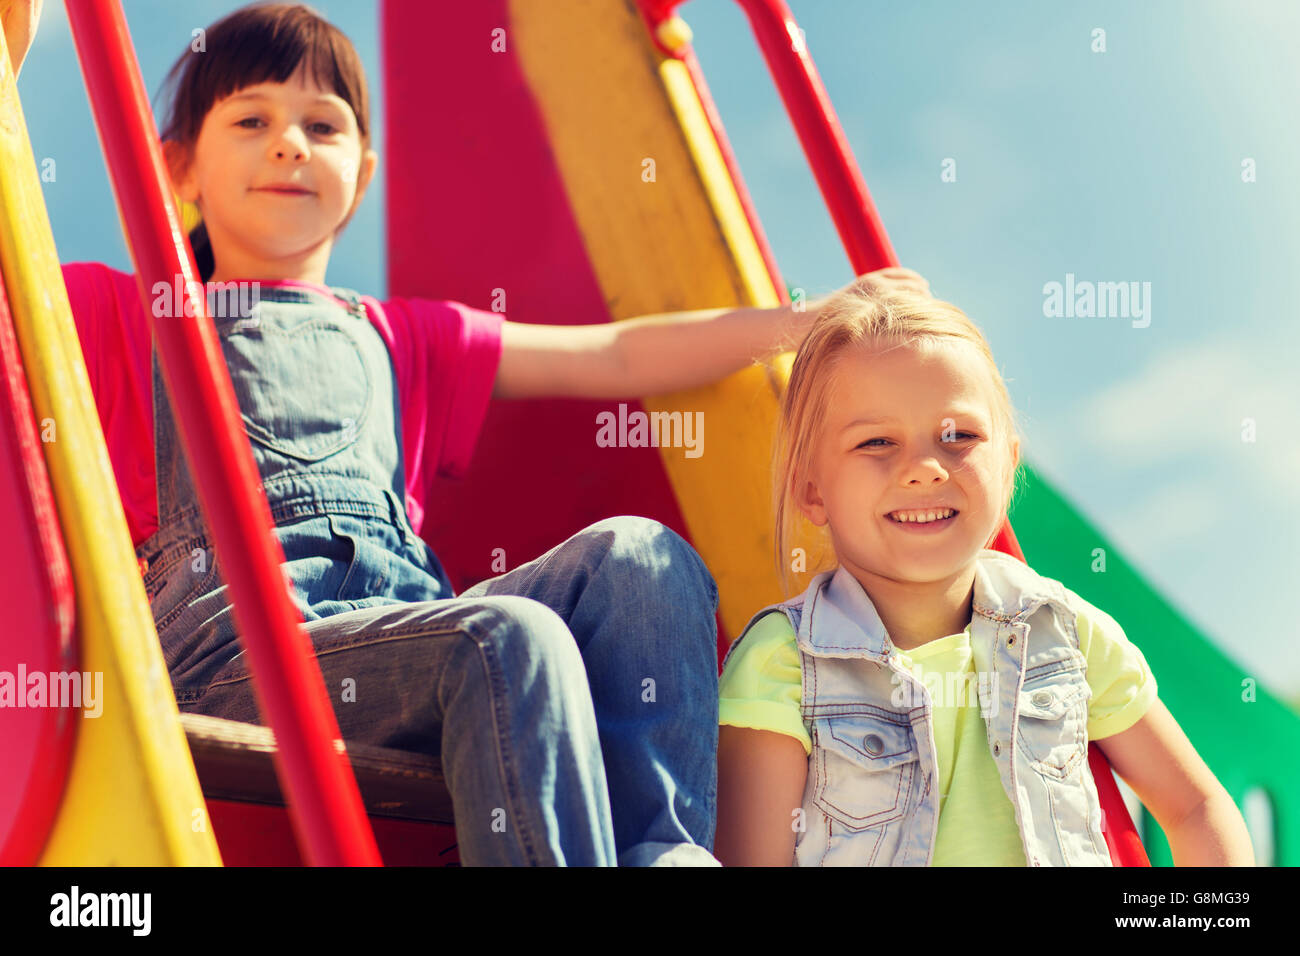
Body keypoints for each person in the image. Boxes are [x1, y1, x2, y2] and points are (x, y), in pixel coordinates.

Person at [4, 1, 930, 864]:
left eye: (321, 126)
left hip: (399, 633)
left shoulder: (404, 337)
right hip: (232, 659)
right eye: (251, 122)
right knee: (506, 638)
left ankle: (663, 851)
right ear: (177, 169)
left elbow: (610, 356)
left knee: (642, 560)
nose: (290, 144)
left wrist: (803, 323)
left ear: (361, 171)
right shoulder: (127, 313)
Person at [713, 286, 1255, 866]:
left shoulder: (1064, 632)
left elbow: (1195, 806)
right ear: (812, 489)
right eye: (876, 442)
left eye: (959, 437)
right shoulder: (785, 662)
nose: (923, 468)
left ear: (1008, 465)